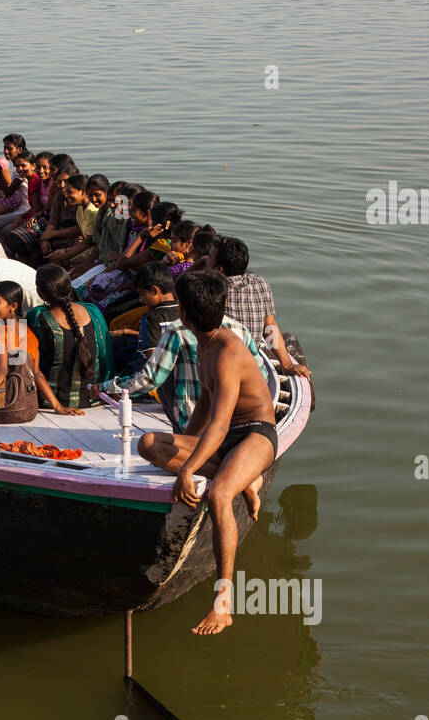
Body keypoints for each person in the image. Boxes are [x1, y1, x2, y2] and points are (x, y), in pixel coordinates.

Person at [134, 271, 278, 636]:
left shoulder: (227, 350)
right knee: (149, 444)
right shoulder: (203, 342)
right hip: (225, 437)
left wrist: (188, 470)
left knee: (217, 495)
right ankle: (246, 479)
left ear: (184, 313)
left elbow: (221, 422)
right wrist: (184, 443)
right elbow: (205, 407)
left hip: (254, 435)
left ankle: (224, 602)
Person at [97, 267, 267, 434]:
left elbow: (150, 379)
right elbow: (263, 376)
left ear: (184, 312)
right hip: (234, 424)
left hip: (190, 423)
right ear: (224, 302)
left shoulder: (177, 331)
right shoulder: (240, 330)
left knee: (148, 443)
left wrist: (105, 387)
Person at [0, 281, 82, 424]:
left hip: (3, 409)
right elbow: (37, 373)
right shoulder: (29, 333)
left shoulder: (0, 331)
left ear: (13, 306)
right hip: (28, 410)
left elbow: (1, 370)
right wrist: (58, 407)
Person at [210, 236, 311, 379]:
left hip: (221, 365)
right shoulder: (260, 282)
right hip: (251, 364)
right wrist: (287, 364)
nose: (206, 262)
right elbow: (269, 326)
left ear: (219, 269)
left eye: (209, 259)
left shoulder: (212, 289)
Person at [26, 264, 113, 408]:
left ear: (41, 293)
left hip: (52, 402)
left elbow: (29, 361)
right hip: (93, 399)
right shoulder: (93, 310)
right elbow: (107, 356)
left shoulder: (37, 316)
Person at [0, 151, 35, 238]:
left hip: (23, 211)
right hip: (20, 211)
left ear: (33, 165)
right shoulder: (19, 175)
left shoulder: (24, 178)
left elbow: (7, 193)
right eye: (17, 166)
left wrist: (0, 173)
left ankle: (0, 247)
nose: (20, 169)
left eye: (23, 166)